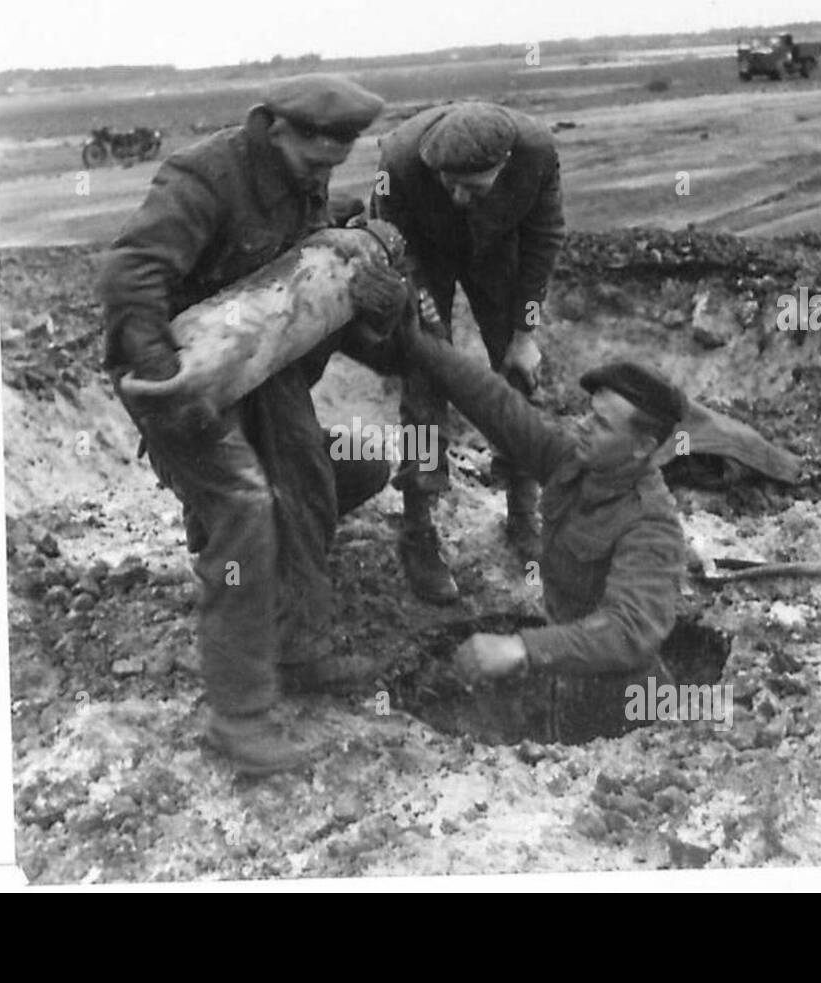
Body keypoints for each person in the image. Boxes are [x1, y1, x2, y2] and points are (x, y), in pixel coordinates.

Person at [97, 74, 407, 776]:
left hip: (257, 369)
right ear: (273, 129)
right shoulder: (205, 177)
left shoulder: (302, 184)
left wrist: (374, 302)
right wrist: (172, 383)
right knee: (245, 507)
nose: (322, 173)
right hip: (181, 370)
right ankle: (240, 718)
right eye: (312, 158)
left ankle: (297, 643)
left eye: (335, 161)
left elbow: (295, 296)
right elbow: (129, 274)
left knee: (310, 476)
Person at [397, 310, 688, 692]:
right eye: (590, 413)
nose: (584, 425)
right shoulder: (577, 464)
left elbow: (628, 633)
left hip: (622, 701)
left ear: (643, 447)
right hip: (566, 675)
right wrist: (418, 342)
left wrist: (523, 649)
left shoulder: (652, 526)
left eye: (601, 424)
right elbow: (500, 408)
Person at [371, 101, 567, 603]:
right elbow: (390, 245)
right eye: (448, 184)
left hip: (498, 251)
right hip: (421, 253)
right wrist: (424, 318)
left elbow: (543, 239)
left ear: (503, 167)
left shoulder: (537, 152)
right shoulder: (396, 161)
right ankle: (419, 527)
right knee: (425, 377)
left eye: (473, 187)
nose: (459, 198)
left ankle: (524, 511)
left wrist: (525, 334)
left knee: (519, 376)